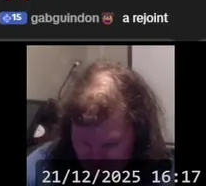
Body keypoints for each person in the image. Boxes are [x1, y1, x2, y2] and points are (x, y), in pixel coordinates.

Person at [27, 61, 171, 186]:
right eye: (84, 143)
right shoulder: (39, 169)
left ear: (139, 133)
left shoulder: (163, 176)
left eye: (110, 144)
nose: (96, 157)